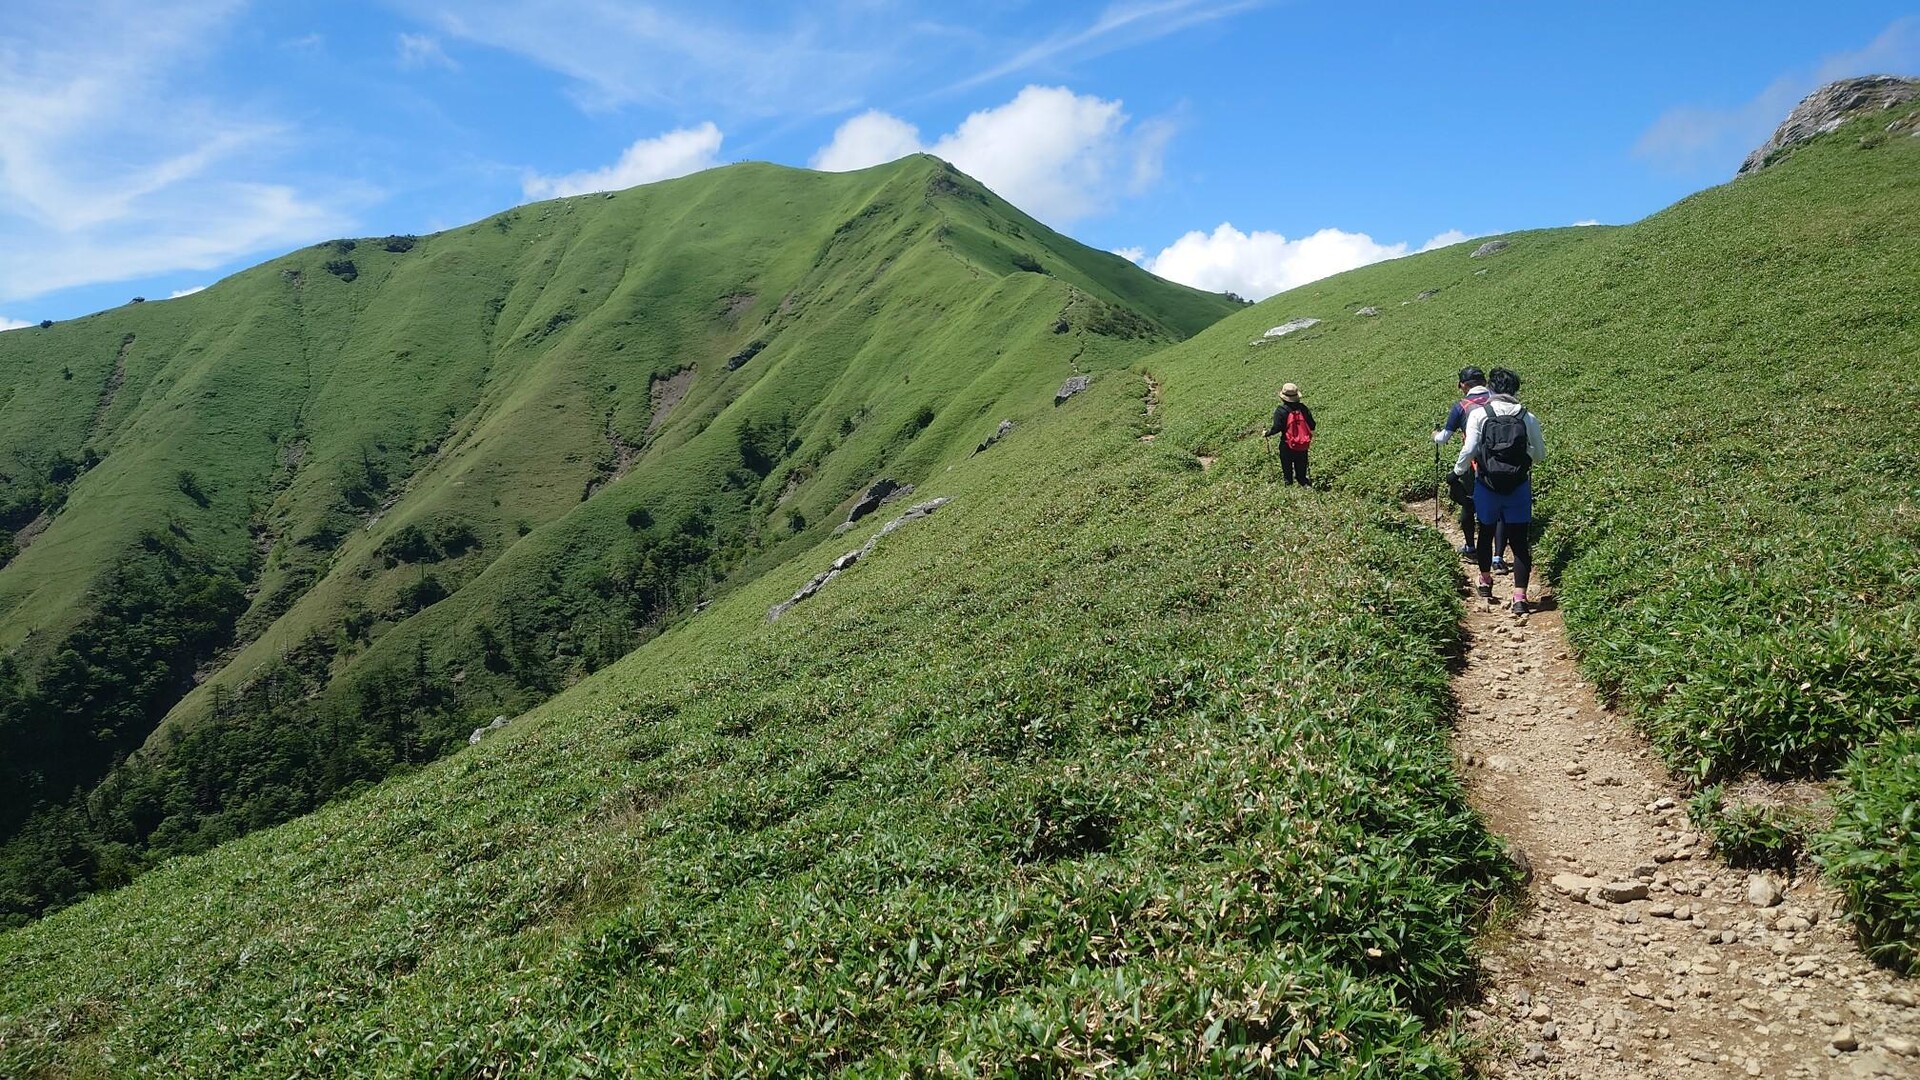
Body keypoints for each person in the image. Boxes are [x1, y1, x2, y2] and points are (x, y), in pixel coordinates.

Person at [1453, 367, 1545, 615]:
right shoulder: (1527, 416)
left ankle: (1484, 581)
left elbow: (1470, 448)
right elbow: (1540, 456)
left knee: (1486, 532)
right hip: (1518, 487)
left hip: (1487, 485)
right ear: (1515, 390)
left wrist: (1457, 472)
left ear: (1491, 389)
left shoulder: (1480, 414)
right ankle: (1519, 597)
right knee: (1519, 542)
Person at [1434, 367, 1491, 558]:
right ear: (1484, 382)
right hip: (1501, 461)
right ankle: (1497, 554)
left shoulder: (1462, 406)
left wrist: (1435, 436)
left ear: (1463, 385)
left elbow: (1444, 438)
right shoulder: (1499, 400)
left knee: (1468, 504)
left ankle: (1471, 548)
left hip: (1473, 463)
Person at [1264, 382, 1316, 486]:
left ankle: (1288, 483)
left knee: (1286, 465)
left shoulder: (1281, 410)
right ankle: (1303, 481)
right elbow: (1312, 425)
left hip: (1287, 443)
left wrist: (1267, 433)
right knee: (1301, 463)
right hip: (1302, 443)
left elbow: (1276, 428)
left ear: (1283, 397)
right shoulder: (1303, 408)